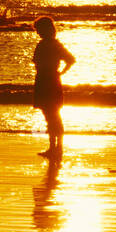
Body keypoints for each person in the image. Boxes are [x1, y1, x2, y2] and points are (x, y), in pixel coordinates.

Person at [32, 16, 74, 157]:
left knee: (51, 115)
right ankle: (56, 147)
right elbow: (70, 60)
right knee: (52, 114)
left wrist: (60, 72)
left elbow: (71, 60)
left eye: (38, 29)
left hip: (46, 80)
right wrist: (60, 72)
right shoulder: (54, 44)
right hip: (51, 79)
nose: (37, 32)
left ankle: (56, 148)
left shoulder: (47, 44)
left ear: (46, 29)